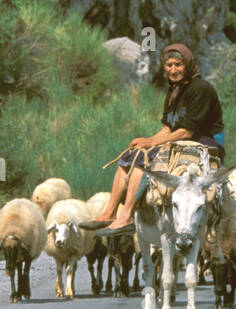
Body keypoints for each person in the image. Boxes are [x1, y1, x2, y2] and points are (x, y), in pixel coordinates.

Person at [93, 43, 225, 235]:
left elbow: (187, 131)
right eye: (169, 65)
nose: (173, 70)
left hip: (206, 140)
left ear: (187, 65)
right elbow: (168, 128)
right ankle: (110, 212)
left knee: (144, 160)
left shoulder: (200, 89)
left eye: (178, 65)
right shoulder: (174, 91)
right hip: (182, 138)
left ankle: (127, 216)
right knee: (132, 154)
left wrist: (152, 144)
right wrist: (146, 140)